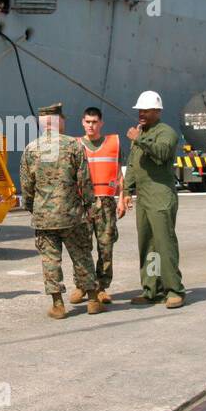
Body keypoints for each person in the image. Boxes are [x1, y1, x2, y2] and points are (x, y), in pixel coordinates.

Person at [18, 104, 102, 319]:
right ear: (59, 122)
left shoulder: (31, 149)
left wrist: (34, 208)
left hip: (44, 218)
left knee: (50, 260)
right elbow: (84, 181)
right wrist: (89, 207)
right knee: (82, 254)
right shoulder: (73, 146)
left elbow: (26, 187)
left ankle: (58, 305)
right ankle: (92, 300)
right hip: (72, 215)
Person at [119, 91, 185, 308]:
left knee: (164, 243)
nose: (141, 114)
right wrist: (127, 191)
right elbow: (132, 164)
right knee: (147, 244)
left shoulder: (166, 132)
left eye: (146, 110)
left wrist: (139, 139)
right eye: (140, 110)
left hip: (161, 195)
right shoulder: (140, 133)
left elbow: (162, 152)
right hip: (144, 197)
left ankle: (174, 290)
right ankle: (151, 289)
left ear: (158, 111)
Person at [69, 106, 122, 306]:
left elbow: (118, 172)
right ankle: (82, 285)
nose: (91, 125)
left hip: (106, 203)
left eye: (94, 122)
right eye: (88, 122)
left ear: (101, 123)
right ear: (83, 122)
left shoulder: (113, 143)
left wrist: (124, 197)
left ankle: (101, 287)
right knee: (81, 247)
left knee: (106, 247)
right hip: (82, 203)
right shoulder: (74, 145)